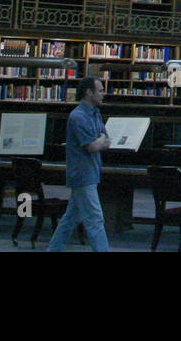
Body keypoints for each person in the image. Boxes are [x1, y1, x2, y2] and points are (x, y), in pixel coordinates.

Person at [47, 76, 112, 252]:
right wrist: (100, 140)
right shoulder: (78, 116)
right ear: (89, 92)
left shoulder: (95, 113)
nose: (103, 94)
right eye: (100, 91)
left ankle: (53, 249)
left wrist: (100, 140)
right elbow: (92, 146)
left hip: (92, 171)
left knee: (70, 218)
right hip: (83, 174)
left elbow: (106, 140)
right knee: (95, 219)